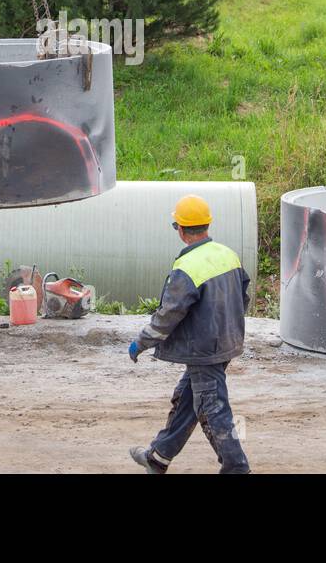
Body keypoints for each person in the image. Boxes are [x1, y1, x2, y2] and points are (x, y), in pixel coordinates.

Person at [127, 194, 251, 473]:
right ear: (207, 225)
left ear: (180, 230)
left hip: (203, 350)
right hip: (226, 342)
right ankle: (158, 457)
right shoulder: (227, 254)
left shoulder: (186, 268)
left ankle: (236, 467)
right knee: (186, 399)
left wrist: (140, 342)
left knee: (212, 408)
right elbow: (243, 298)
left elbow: (168, 315)